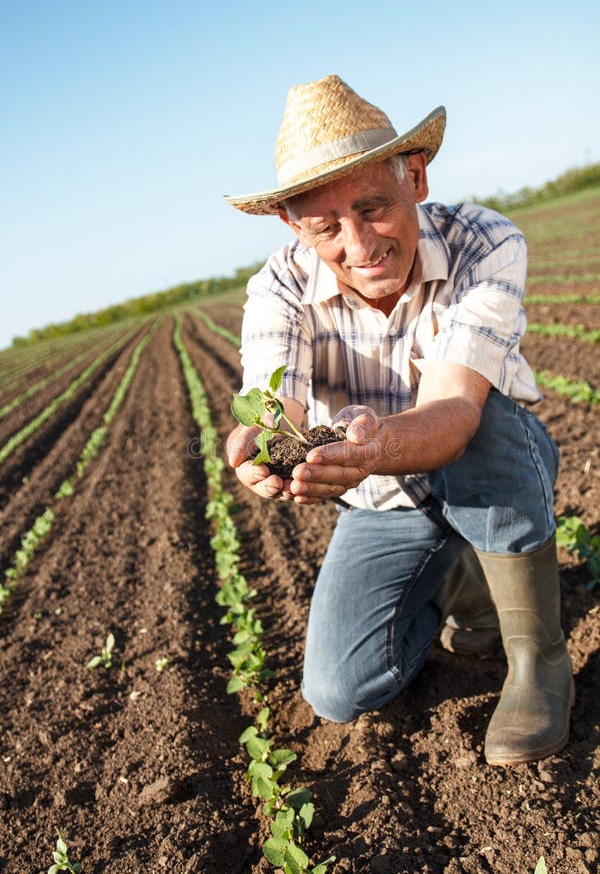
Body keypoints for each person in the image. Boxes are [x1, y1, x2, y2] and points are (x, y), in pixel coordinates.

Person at [223, 74, 574, 766]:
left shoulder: (482, 241)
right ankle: (464, 579)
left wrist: (378, 444)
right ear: (294, 225)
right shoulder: (280, 287)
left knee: (484, 421)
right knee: (338, 688)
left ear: (414, 176)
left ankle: (539, 660)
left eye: (374, 207)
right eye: (325, 227)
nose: (359, 244)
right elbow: (273, 406)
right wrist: (256, 448)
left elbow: (453, 410)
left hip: (489, 464)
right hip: (383, 500)